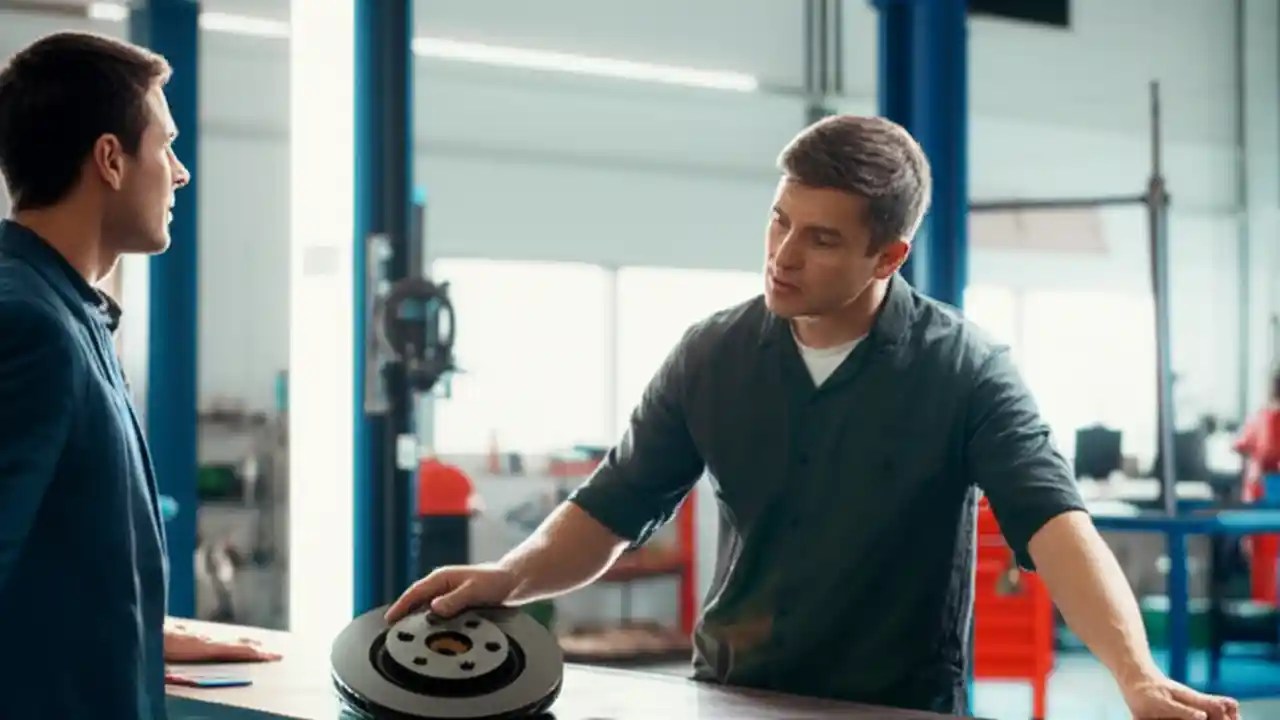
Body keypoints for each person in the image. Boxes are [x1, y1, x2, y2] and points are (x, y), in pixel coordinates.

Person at [388, 114, 1242, 719]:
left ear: (889, 255)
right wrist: (511, 575)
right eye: (779, 219)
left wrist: (1135, 673)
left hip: (897, 706)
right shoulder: (711, 354)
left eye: (822, 239)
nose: (783, 255)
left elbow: (1056, 524)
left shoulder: (966, 369)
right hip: (730, 693)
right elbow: (611, 508)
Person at [0, 32, 279, 720]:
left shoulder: (68, 313)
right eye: (166, 146)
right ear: (110, 160)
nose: (180, 172)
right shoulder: (27, 326)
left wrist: (137, 632)